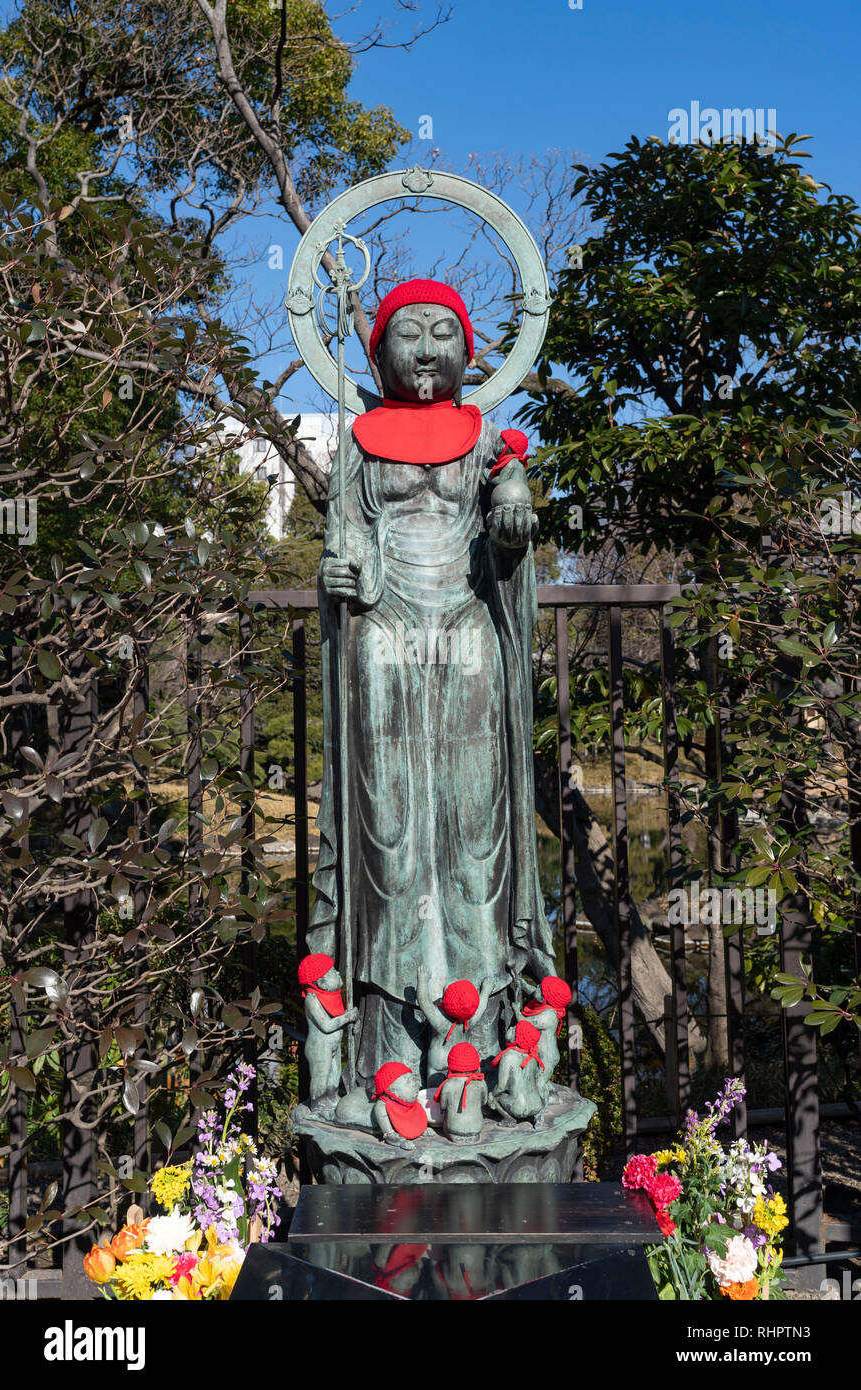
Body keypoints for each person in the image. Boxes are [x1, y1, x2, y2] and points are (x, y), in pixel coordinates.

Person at [308, 277, 555, 1089]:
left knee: (470, 816)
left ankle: (483, 1032)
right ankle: (387, 1040)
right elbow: (342, 541)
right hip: (382, 624)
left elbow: (505, 534)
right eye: (405, 333)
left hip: (466, 620)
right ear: (376, 351)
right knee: (388, 817)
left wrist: (513, 515)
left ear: (469, 348)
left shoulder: (484, 439)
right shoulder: (357, 443)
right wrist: (337, 577)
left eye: (440, 331)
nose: (422, 348)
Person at [299, 952, 358, 1118]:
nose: (338, 973)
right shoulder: (312, 999)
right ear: (320, 981)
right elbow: (326, 1025)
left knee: (334, 1075)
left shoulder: (330, 997)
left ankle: (332, 1098)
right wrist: (347, 1017)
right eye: (332, 971)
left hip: (333, 1045)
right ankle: (318, 1104)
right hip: (319, 1046)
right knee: (321, 1077)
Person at [489, 1020, 546, 1128]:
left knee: (492, 1097)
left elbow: (501, 1086)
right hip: (537, 1104)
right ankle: (536, 1116)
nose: (510, 1029)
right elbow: (538, 1080)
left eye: (514, 1029)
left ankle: (509, 1119)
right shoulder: (533, 1056)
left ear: (517, 1038)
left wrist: (492, 1094)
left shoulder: (508, 1056)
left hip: (518, 1107)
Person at [433, 1041, 487, 1144]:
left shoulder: (448, 1084)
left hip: (454, 1130)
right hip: (477, 1128)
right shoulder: (480, 1082)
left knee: (446, 1115)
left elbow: (443, 1106)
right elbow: (484, 1102)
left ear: (452, 1064)